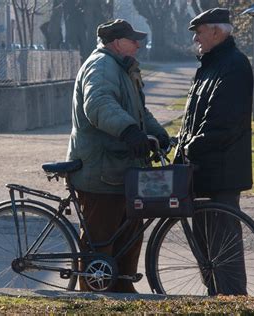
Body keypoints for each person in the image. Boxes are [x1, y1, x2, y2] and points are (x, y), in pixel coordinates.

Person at [66, 19, 169, 293]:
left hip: (122, 170)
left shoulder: (123, 68)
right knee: (100, 241)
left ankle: (123, 288)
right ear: (116, 42)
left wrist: (159, 135)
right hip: (101, 171)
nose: (138, 44)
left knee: (129, 233)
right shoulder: (101, 66)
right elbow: (98, 104)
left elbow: (140, 112)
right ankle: (93, 296)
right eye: (133, 40)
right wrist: (129, 132)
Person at [174, 8, 253, 295]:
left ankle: (232, 301)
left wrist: (190, 145)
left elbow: (223, 122)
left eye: (200, 31)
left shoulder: (233, 66)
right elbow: (193, 118)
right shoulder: (210, 65)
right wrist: (181, 143)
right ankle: (216, 296)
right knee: (206, 248)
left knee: (222, 247)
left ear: (217, 32)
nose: (196, 37)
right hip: (203, 171)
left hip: (222, 172)